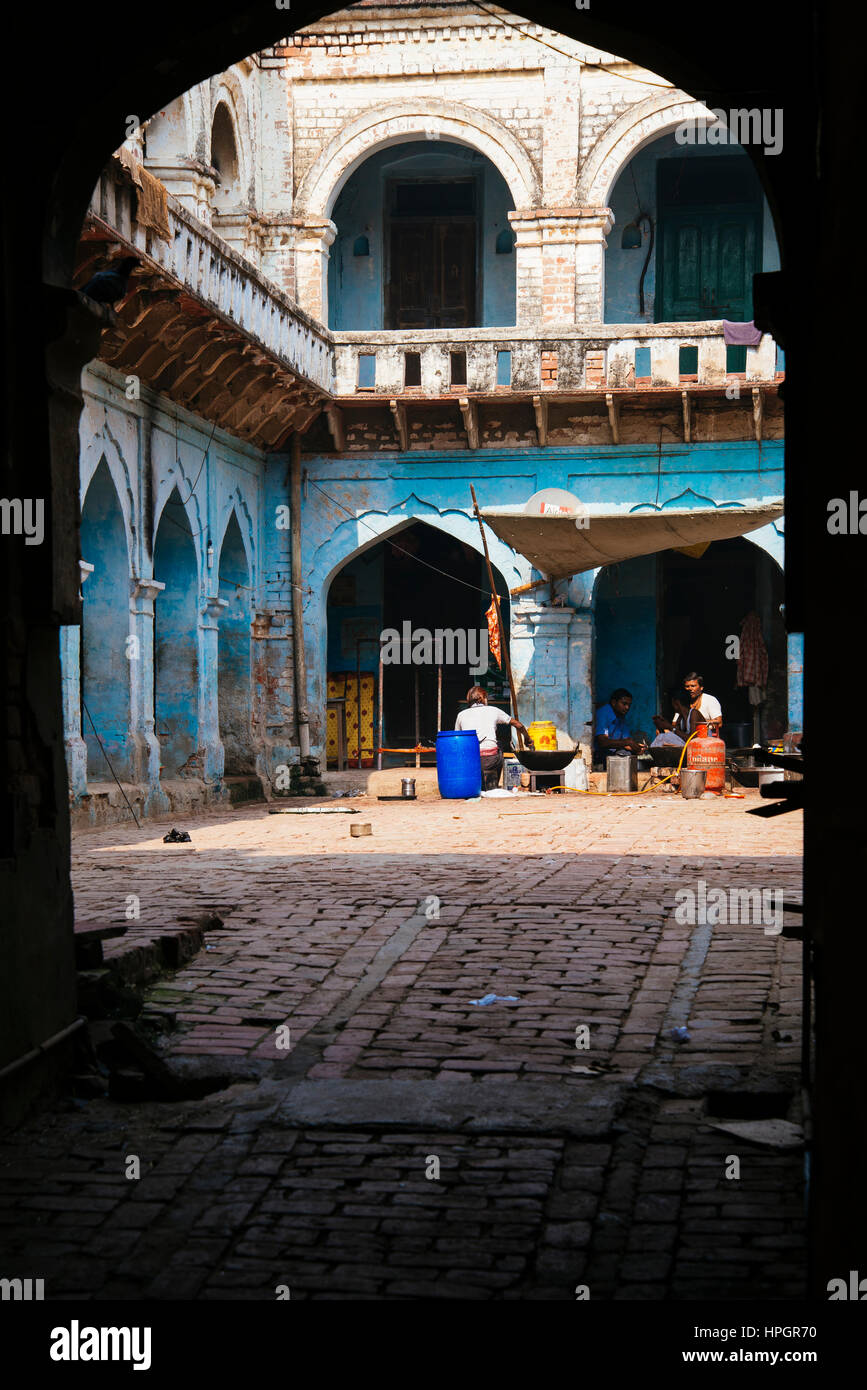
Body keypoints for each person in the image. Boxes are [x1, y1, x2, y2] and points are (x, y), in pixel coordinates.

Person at [455, 686, 532, 789]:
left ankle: (475, 782)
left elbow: (457, 739)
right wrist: (527, 739)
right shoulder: (493, 710)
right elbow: (519, 725)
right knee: (499, 745)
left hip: (470, 761)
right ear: (483, 699)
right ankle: (492, 783)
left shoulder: (461, 715)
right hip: (489, 760)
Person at [594, 688, 646, 764]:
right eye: (624, 704)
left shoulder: (621, 716)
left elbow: (625, 742)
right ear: (614, 702)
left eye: (629, 705)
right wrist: (628, 742)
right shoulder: (603, 713)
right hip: (598, 754)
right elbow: (603, 742)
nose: (627, 708)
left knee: (630, 756)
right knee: (624, 757)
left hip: (612, 752)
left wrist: (636, 747)